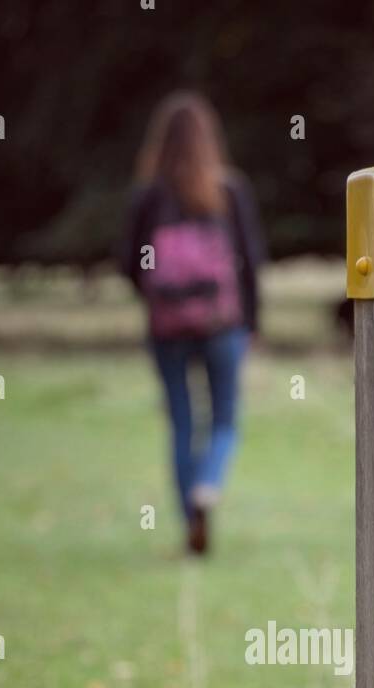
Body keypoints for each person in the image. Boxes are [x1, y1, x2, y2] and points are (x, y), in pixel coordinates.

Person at [121, 92, 265, 554]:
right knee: (224, 420)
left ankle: (189, 524)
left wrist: (156, 299)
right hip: (224, 326)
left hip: (167, 330)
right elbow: (250, 262)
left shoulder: (147, 195)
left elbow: (128, 262)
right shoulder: (230, 190)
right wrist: (252, 323)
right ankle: (209, 485)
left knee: (182, 423)